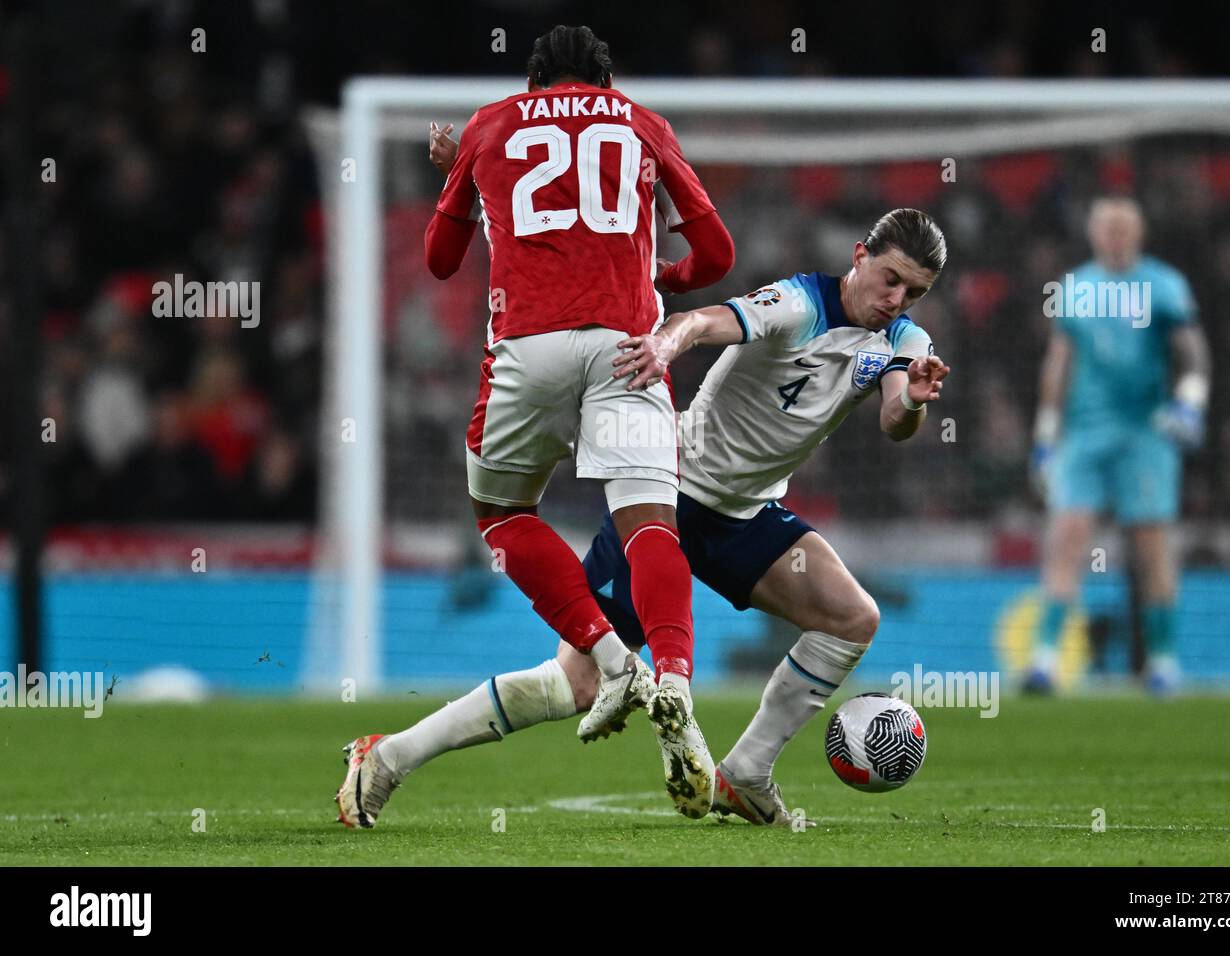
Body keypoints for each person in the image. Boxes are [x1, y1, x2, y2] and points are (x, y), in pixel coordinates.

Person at [345, 209, 950, 827]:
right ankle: (389, 757)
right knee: (574, 685)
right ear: (859, 256)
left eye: (914, 292)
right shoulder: (798, 304)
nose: (896, 299)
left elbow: (895, 417)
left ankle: (744, 774)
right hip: (669, 500)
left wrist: (917, 405)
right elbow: (700, 319)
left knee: (852, 619)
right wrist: (663, 345)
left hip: (746, 516)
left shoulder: (904, 341)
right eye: (891, 279)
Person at [335, 24, 735, 828]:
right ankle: (676, 678)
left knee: (506, 514)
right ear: (606, 77)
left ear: (533, 77)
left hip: (529, 349)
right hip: (628, 344)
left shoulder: (492, 123)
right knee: (651, 524)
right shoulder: (642, 121)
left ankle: (612, 658)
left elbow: (441, 262)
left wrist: (465, 179)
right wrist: (663, 273)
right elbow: (717, 255)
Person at [1027, 197, 1210, 695]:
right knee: (1067, 536)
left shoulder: (1163, 284)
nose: (1113, 235)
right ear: (1092, 233)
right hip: (1084, 433)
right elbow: (1058, 362)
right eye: (1105, 227)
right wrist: (1046, 434)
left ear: (1138, 232)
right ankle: (1044, 660)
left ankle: (1164, 661)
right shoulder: (1076, 287)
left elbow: (1191, 350)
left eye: (1122, 227)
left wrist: (1190, 401)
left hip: (1145, 432)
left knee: (1151, 544)